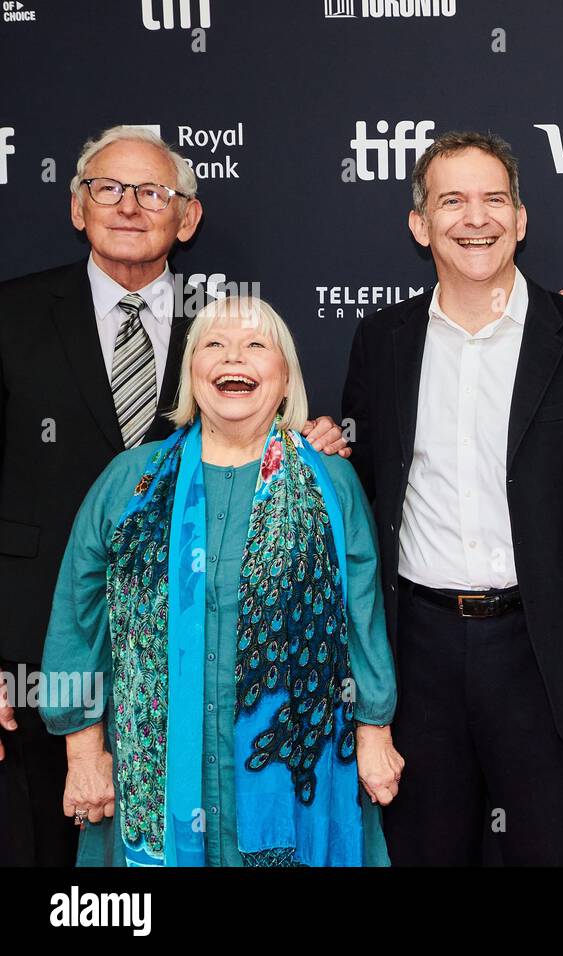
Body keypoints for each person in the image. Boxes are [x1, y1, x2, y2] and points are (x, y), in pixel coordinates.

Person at [0, 125, 346, 866]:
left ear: (186, 218)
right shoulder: (10, 316)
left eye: (153, 192)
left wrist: (311, 440)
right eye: (108, 188)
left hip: (198, 675)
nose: (129, 206)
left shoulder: (226, 330)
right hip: (36, 659)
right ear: (76, 207)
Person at [341, 130, 563, 865]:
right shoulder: (382, 342)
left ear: (521, 218)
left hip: (541, 653)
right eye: (452, 201)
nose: (477, 218)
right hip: (420, 651)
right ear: (420, 224)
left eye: (494, 199)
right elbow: (365, 487)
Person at [39, 296, 399, 866]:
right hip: (149, 786)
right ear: (191, 373)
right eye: (215, 345)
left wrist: (375, 732)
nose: (235, 358)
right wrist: (83, 753)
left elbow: (363, 622)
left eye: (257, 346)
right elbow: (74, 624)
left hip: (298, 779)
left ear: (285, 379)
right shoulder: (128, 483)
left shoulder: (332, 482)